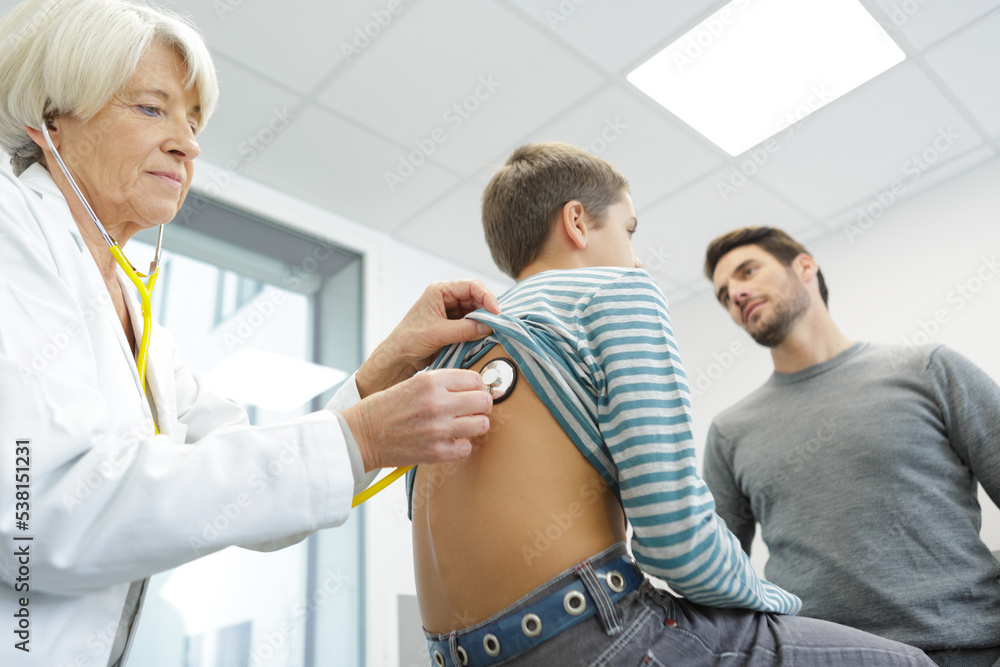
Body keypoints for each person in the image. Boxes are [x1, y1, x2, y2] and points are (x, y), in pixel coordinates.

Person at [0, 2, 497, 665]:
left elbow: (251, 484)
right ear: (51, 116)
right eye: (154, 109)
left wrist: (382, 373)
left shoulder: (138, 318)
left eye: (194, 121)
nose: (189, 143)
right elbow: (45, 513)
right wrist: (366, 433)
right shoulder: (13, 231)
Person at [405, 142, 934, 666]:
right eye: (628, 230)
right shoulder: (615, 289)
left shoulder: (449, 348)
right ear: (577, 223)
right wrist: (778, 603)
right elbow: (675, 537)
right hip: (589, 634)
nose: (636, 257)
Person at [702, 226, 1000, 667]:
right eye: (725, 295)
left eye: (748, 272)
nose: (737, 295)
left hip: (969, 652)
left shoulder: (928, 370)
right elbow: (716, 578)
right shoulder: (729, 431)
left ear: (804, 267)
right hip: (821, 659)